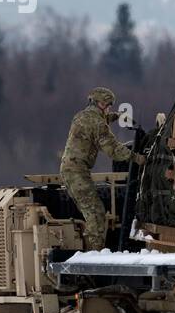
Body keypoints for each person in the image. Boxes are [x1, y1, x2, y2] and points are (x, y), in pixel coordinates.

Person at [59, 86, 146, 251]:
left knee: (93, 211)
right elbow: (112, 149)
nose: (109, 108)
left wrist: (116, 116)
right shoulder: (98, 123)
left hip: (71, 170)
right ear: (100, 103)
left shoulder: (82, 116)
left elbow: (97, 121)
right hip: (76, 172)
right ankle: (95, 252)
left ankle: (94, 249)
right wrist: (137, 158)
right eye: (108, 105)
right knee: (96, 212)